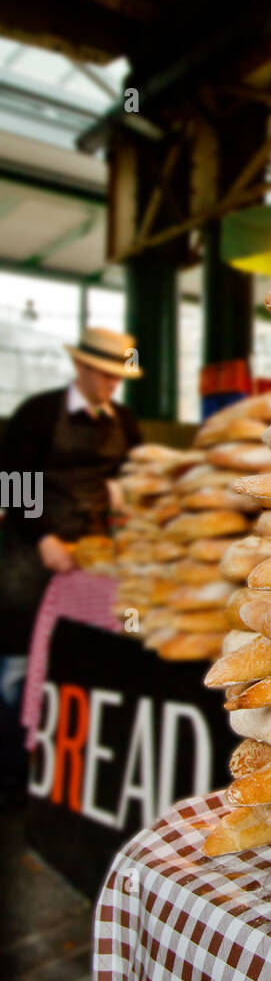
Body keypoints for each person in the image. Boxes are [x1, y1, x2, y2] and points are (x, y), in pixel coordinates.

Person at [0, 327, 143, 804]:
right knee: (18, 666)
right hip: (31, 556)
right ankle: (13, 774)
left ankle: (65, 769)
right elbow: (14, 483)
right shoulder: (37, 414)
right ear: (80, 367)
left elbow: (135, 478)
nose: (110, 387)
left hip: (95, 557)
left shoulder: (122, 420)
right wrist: (44, 537)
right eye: (102, 376)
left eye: (115, 379)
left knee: (80, 659)